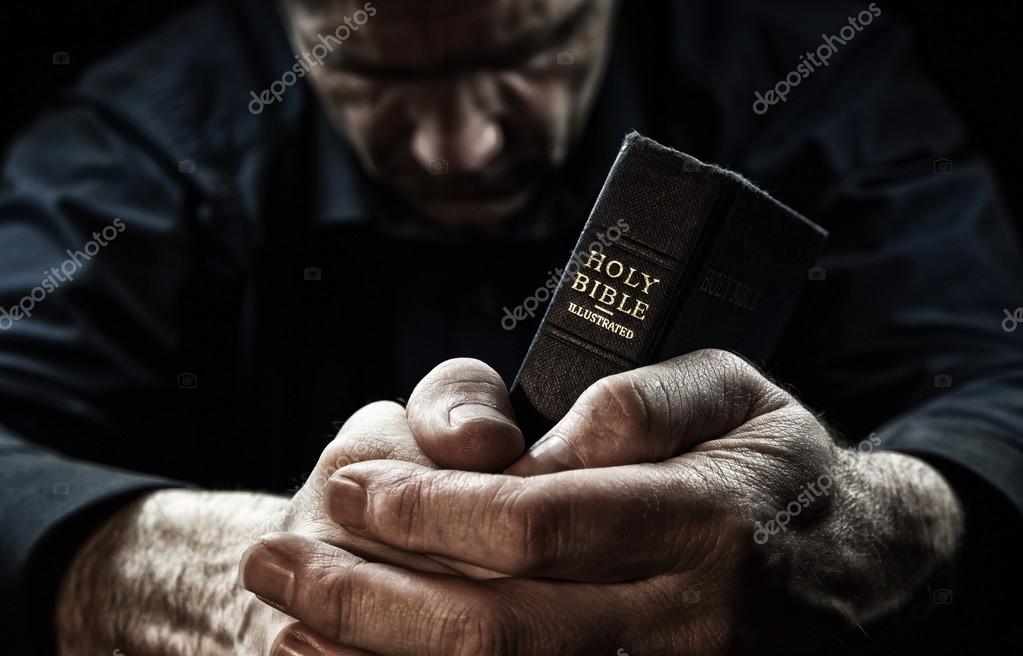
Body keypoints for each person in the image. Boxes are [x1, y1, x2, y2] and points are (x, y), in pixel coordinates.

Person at [1, 0, 1020, 653]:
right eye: (376, 73)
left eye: (529, 49)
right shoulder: (147, 135)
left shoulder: (812, 67)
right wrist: (249, 578)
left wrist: (861, 526)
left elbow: (997, 381)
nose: (461, 144)